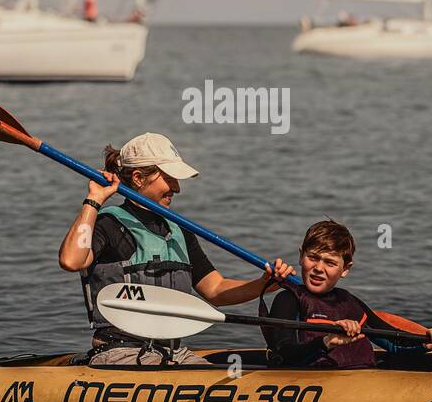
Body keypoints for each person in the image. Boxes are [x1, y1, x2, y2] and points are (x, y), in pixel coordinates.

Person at [58, 132, 293, 365]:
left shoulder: (179, 229)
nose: (177, 188)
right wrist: (94, 200)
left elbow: (215, 291)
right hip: (120, 353)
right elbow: (72, 261)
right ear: (139, 178)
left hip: (174, 354)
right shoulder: (107, 224)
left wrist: (263, 284)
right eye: (169, 178)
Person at [260, 220, 432, 368]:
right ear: (301, 257)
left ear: (345, 269)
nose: (318, 268)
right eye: (313, 258)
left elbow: (394, 343)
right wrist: (327, 342)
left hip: (357, 381)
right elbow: (285, 353)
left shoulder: (350, 303)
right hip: (308, 381)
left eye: (330, 263)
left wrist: (426, 340)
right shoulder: (288, 299)